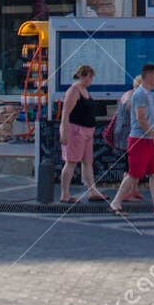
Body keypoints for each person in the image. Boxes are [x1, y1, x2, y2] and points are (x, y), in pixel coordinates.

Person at [111, 64, 154, 217]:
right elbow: (141, 119)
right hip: (139, 140)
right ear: (148, 76)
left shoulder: (147, 94)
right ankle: (116, 202)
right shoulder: (140, 94)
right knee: (134, 174)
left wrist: (152, 137)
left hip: (147, 140)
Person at [58, 64, 106, 204]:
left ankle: (92, 191)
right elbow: (65, 113)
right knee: (71, 162)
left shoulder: (84, 90)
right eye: (90, 77)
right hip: (75, 131)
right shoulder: (74, 91)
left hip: (87, 131)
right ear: (82, 76)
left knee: (87, 162)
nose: (91, 80)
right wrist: (64, 133)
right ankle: (65, 194)